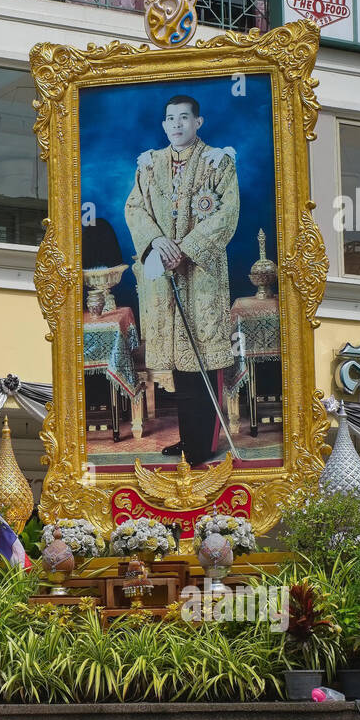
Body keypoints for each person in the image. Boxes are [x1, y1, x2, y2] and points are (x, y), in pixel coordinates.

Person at [125, 94, 240, 466]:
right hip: (163, 274)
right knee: (177, 364)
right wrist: (157, 242)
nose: (177, 125)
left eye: (184, 118)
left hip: (201, 277)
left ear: (198, 122)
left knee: (202, 360)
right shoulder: (149, 164)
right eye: (170, 119)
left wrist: (185, 248)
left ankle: (202, 444)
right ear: (164, 125)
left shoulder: (218, 162)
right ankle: (189, 438)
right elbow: (135, 208)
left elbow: (226, 213)